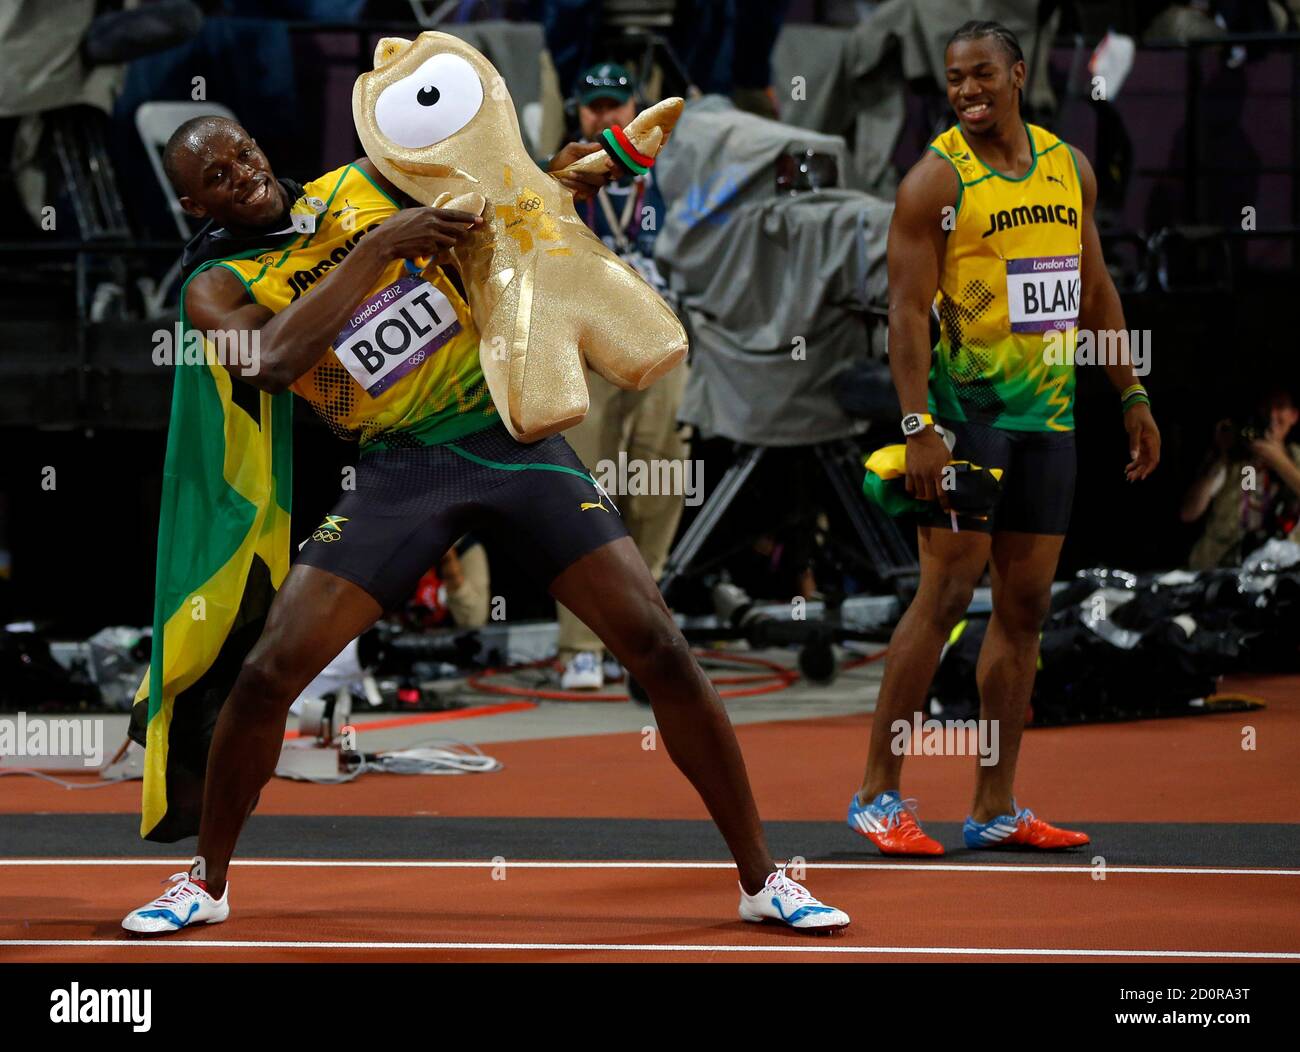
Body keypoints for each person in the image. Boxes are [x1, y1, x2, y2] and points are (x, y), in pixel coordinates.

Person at [121, 115, 847, 932]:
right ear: (191, 203)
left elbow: (505, 196)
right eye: (216, 177)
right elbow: (276, 360)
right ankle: (207, 885)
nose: (242, 174)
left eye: (245, 153)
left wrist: (562, 175)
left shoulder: (364, 182)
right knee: (266, 677)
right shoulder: (215, 284)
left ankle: (761, 879)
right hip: (399, 466)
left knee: (660, 647)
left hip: (507, 440)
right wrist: (379, 250)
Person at [847, 21, 1161, 855]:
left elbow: (1094, 287)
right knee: (945, 598)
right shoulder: (934, 181)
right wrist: (917, 426)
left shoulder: (1070, 170)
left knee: (1023, 613)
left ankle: (995, 802)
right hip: (965, 421)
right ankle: (879, 795)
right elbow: (906, 316)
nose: (967, 91)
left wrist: (1130, 391)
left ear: (1018, 74)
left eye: (982, 75)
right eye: (954, 79)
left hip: (1047, 422)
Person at [555, 63, 691, 691]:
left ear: (638, 107)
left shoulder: (675, 175)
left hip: (662, 346)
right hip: (589, 350)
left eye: (617, 105)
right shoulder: (560, 176)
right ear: (579, 113)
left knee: (660, 484)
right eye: (594, 106)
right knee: (588, 494)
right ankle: (583, 644)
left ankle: (646, 637)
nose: (606, 117)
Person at [1182, 386, 1300, 569]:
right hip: (1221, 567)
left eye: (1279, 407)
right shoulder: (1233, 459)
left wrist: (1276, 458)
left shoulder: (1296, 457)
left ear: (1294, 416)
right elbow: (1188, 513)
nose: (1272, 414)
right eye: (1267, 407)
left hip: (1279, 567)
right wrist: (1220, 455)